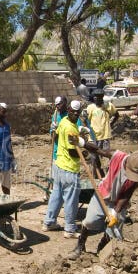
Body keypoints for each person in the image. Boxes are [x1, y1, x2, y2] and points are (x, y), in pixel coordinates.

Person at [68, 147, 138, 259]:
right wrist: (83, 143)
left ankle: (102, 249)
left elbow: (128, 193)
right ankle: (80, 246)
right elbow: (98, 150)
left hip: (120, 200)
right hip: (103, 194)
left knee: (113, 230)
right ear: (127, 164)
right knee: (89, 221)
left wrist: (116, 211)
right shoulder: (118, 156)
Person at [42, 100, 84, 237]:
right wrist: (85, 152)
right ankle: (70, 229)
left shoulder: (64, 121)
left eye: (78, 112)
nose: (75, 114)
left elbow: (57, 137)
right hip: (69, 168)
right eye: (73, 112)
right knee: (71, 199)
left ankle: (49, 222)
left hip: (59, 165)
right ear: (69, 110)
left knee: (56, 195)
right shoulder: (71, 127)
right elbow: (73, 151)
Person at [85, 90, 118, 178]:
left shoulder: (108, 106)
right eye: (95, 97)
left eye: (99, 97)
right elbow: (86, 120)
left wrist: (111, 123)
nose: (96, 99)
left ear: (102, 97)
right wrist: (89, 131)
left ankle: (108, 176)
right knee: (94, 158)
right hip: (93, 137)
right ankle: (96, 176)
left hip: (105, 136)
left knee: (107, 156)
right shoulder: (90, 107)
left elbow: (116, 115)